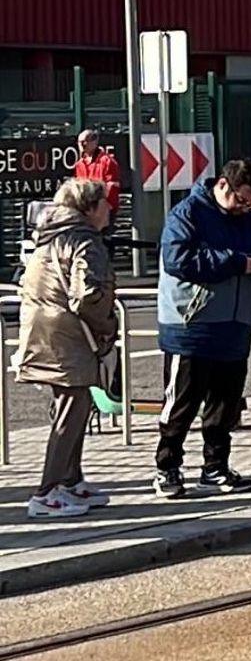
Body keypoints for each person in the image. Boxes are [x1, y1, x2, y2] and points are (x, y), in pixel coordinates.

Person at [153, 159, 251, 498]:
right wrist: (236, 262)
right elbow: (178, 260)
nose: (245, 208)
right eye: (241, 200)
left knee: (224, 406)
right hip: (191, 326)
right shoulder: (188, 213)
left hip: (236, 325)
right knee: (181, 404)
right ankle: (167, 468)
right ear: (223, 186)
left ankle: (215, 467)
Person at [14, 178, 118, 517]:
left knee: (75, 403)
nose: (110, 209)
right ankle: (47, 490)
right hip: (69, 336)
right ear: (89, 208)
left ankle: (71, 481)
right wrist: (107, 328)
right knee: (71, 410)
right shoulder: (85, 241)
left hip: (42, 330)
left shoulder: (50, 235)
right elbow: (87, 295)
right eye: (104, 203)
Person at [72, 130, 123, 225]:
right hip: (86, 212)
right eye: (79, 142)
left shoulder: (107, 162)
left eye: (85, 141)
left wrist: (102, 209)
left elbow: (112, 187)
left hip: (103, 212)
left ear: (95, 142)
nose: (82, 145)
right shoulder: (79, 165)